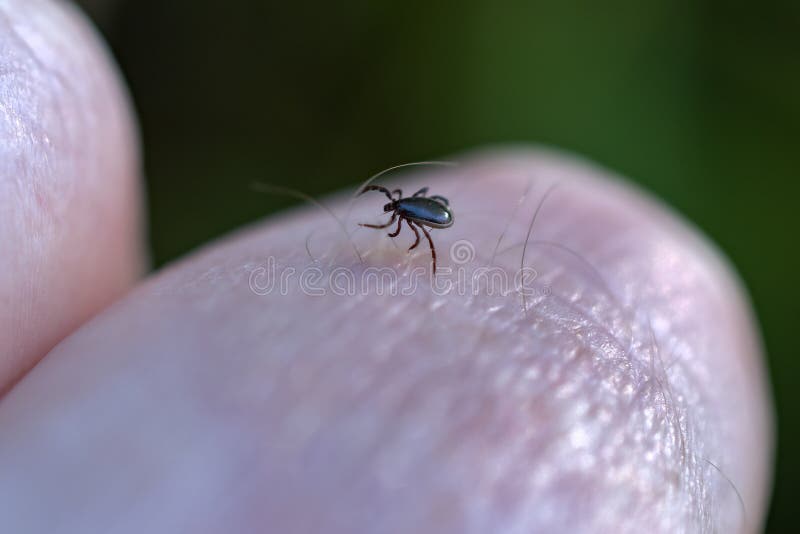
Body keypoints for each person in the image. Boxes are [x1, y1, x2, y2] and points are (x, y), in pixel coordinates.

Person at [0, 1, 773, 532]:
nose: (391, 218)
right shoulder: (410, 214)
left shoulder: (413, 218)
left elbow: (419, 222)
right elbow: (415, 219)